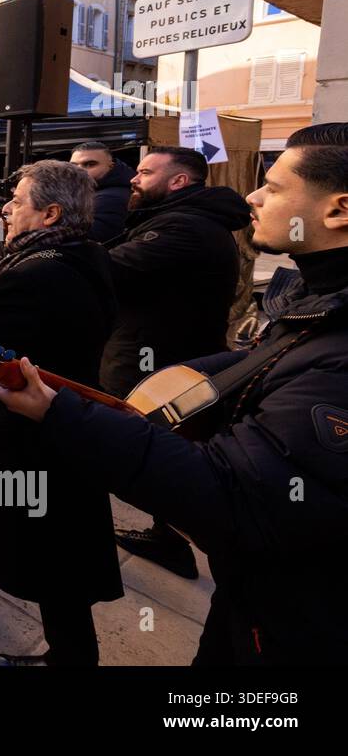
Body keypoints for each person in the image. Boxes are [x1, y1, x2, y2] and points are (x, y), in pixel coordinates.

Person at [0, 123, 348, 665]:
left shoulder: (177, 235)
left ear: (338, 209)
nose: (253, 195)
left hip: (292, 629)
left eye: (273, 186)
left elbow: (230, 494)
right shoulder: (315, 300)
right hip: (260, 604)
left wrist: (63, 414)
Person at [0, 161, 121, 667]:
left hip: (27, 432)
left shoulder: (31, 274)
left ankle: (72, 659)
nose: (7, 208)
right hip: (66, 425)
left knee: (52, 558)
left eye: (19, 200)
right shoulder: (86, 256)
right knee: (58, 550)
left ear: (50, 213)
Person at [101, 146, 250, 579]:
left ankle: (178, 535)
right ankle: (169, 536)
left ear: (179, 181)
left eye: (146, 172)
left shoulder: (185, 226)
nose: (134, 177)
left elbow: (111, 270)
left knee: (133, 448)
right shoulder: (182, 221)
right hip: (158, 353)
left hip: (155, 361)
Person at [70, 141, 134, 242]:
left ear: (111, 166)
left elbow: (90, 239)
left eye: (89, 164)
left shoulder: (110, 199)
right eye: (73, 165)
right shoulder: (94, 191)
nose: (79, 170)